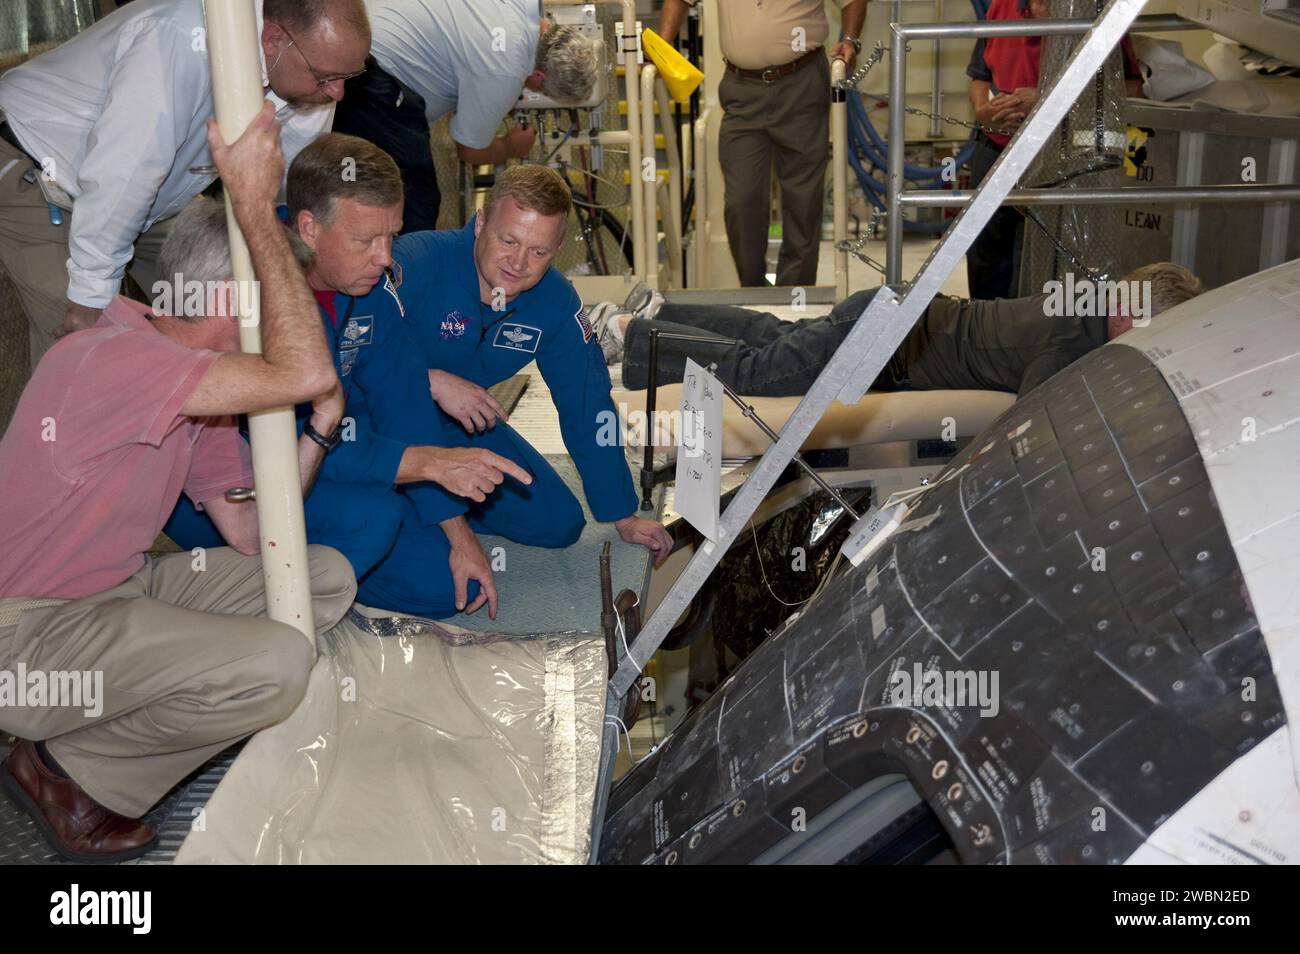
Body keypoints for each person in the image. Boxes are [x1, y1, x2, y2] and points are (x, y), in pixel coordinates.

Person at [0, 105, 356, 863]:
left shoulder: (189, 390)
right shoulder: (115, 359)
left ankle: (96, 726)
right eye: (270, 293)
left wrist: (321, 429)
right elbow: (304, 370)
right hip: (23, 636)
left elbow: (255, 530)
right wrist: (258, 213)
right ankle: (66, 770)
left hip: (113, 598)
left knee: (322, 578)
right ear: (230, 299)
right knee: (278, 665)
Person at [162, 134, 531, 621]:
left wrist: (458, 534)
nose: (385, 257)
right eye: (366, 241)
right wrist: (421, 463)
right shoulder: (243, 287)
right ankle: (251, 602)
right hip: (227, 487)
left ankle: (315, 570)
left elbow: (404, 405)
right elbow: (277, 441)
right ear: (310, 229)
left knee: (446, 589)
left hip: (325, 454)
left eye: (391, 237)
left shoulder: (370, 289)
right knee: (376, 517)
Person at [0, 0, 370, 367]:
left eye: (347, 78)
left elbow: (286, 183)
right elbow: (125, 173)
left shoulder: (310, 69)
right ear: (272, 39)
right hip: (42, 163)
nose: (337, 92)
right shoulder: (181, 38)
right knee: (88, 358)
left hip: (158, 196)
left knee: (227, 307)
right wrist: (88, 298)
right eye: (326, 78)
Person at [396, 164, 674, 565]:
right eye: (508, 240)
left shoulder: (555, 303)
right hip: (385, 429)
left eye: (538, 252)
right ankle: (409, 506)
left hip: (461, 428)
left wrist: (623, 514)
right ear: (480, 224)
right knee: (408, 561)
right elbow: (345, 356)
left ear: (557, 250)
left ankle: (434, 507)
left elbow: (587, 404)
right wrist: (429, 380)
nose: (518, 262)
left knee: (557, 524)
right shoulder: (415, 264)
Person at [594, 262, 1203, 397]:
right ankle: (632, 334)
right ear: (1136, 312)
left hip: (892, 314)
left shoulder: (1082, 301)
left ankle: (658, 314)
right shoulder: (1080, 335)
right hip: (888, 345)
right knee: (757, 375)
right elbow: (1035, 416)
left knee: (770, 335)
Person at [333, 0, 599, 231]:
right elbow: (469, 151)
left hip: (354, 27)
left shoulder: (519, 8)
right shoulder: (507, 69)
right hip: (374, 76)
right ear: (540, 76)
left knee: (364, 185)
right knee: (413, 205)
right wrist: (510, 146)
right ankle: (393, 284)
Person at [657, 0, 866, 287]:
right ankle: (753, 290)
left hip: (802, 82)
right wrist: (663, 47)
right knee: (741, 199)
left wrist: (850, 40)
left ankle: (794, 295)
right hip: (741, 89)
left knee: (802, 199)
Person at [965, 0, 1144, 299]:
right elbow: (979, 76)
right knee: (985, 253)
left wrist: (1049, 100)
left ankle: (1027, 335)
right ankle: (984, 332)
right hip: (996, 149)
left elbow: (1130, 88)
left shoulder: (1096, 12)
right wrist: (983, 111)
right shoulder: (1001, 7)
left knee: (1038, 259)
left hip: (1058, 157)